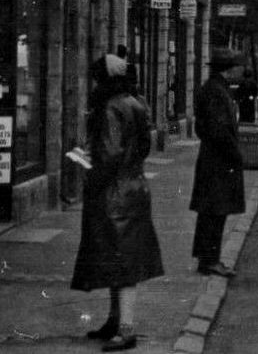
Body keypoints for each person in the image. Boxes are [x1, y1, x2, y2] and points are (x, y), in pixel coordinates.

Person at [71, 54, 165, 351]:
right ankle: (115, 321)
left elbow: (109, 154)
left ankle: (125, 328)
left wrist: (89, 168)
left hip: (113, 195)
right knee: (122, 259)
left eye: (98, 79)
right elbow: (143, 147)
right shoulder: (136, 103)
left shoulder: (109, 108)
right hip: (135, 188)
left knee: (120, 262)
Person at [191, 49, 245, 278]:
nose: (240, 70)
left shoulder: (215, 88)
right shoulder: (216, 91)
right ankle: (210, 260)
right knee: (215, 211)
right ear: (228, 68)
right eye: (236, 66)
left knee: (212, 211)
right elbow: (218, 129)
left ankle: (208, 259)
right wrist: (235, 154)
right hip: (218, 160)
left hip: (213, 158)